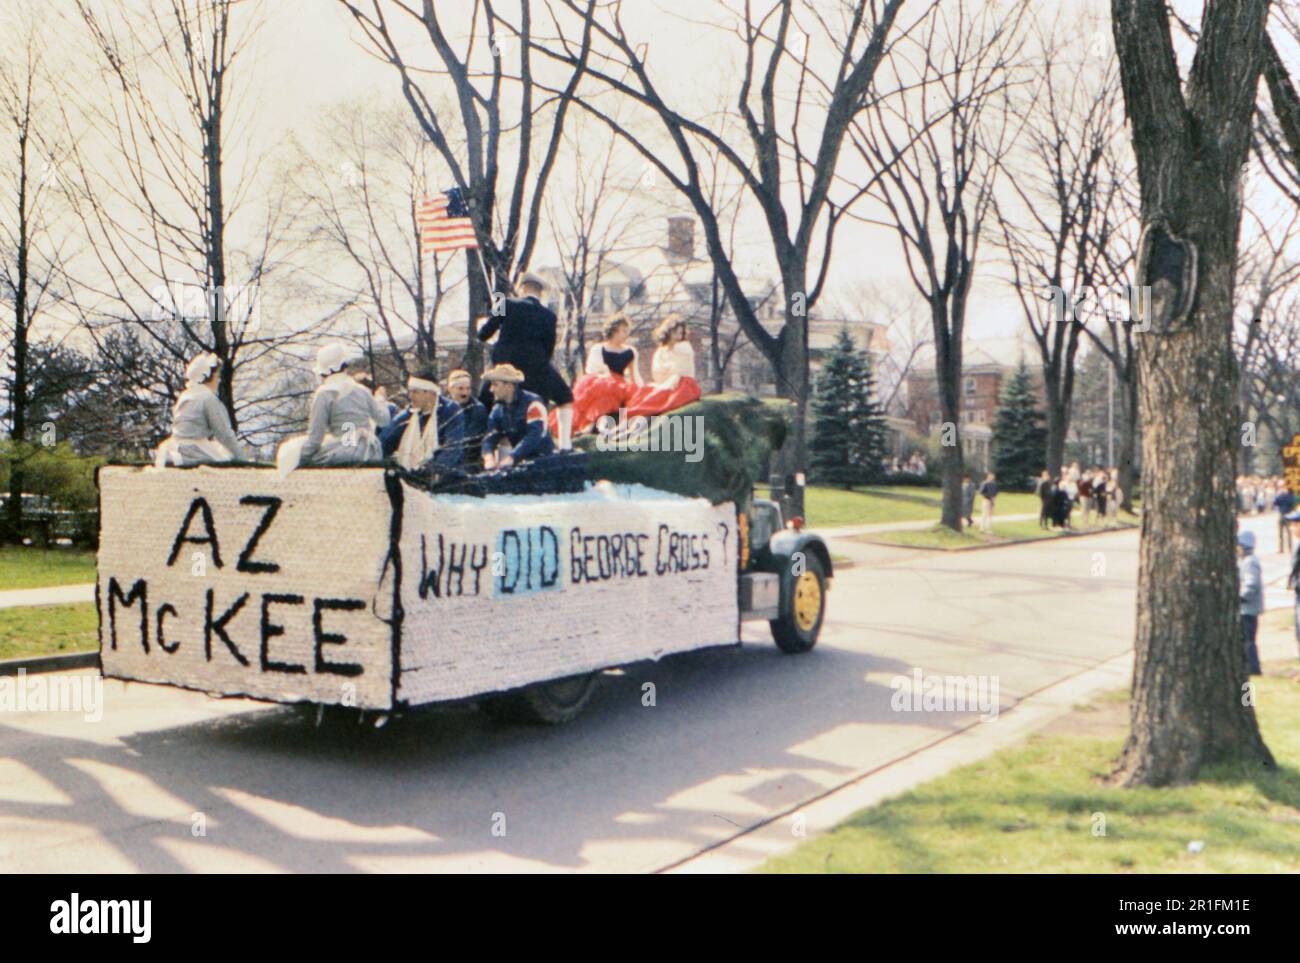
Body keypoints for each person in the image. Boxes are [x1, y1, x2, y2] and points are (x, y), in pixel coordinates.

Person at [476, 272, 575, 449]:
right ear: (540, 292)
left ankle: (480, 449)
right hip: (537, 369)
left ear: (523, 288)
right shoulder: (549, 315)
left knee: (482, 403)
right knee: (565, 397)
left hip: (506, 367)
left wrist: (487, 326)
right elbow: (548, 348)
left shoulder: (504, 302)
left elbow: (483, 334)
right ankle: (565, 445)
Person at [276, 344, 391, 474]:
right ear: (344, 365)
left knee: (292, 450)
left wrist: (296, 460)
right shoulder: (362, 390)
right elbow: (384, 420)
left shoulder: (324, 393)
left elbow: (314, 440)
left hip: (345, 450)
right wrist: (380, 399)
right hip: (370, 451)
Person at [156, 352, 248, 467]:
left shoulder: (186, 394)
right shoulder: (208, 398)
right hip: (193, 451)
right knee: (226, 461)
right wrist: (242, 458)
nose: (219, 381)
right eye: (218, 376)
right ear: (211, 377)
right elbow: (224, 433)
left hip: (174, 447)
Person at [562, 315, 646, 436]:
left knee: (623, 397)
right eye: (624, 331)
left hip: (620, 385)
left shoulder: (630, 351)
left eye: (627, 331)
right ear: (614, 330)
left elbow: (635, 374)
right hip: (602, 381)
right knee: (603, 397)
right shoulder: (599, 348)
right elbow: (594, 370)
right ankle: (590, 426)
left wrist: (641, 390)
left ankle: (615, 427)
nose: (626, 334)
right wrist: (607, 379)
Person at [378, 369, 466, 472]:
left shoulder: (450, 411)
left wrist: (428, 471)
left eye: (415, 392)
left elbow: (453, 450)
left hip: (447, 477)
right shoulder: (409, 413)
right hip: (413, 476)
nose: (410, 396)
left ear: (429, 393)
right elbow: (385, 440)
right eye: (410, 392)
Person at [480, 363, 554, 469]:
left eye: (495, 385)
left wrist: (512, 457)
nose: (491, 389)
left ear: (509, 386)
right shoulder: (497, 410)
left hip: (544, 462)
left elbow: (534, 435)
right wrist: (488, 458)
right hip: (521, 462)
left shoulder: (533, 404)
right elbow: (490, 437)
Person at [443, 369, 488, 470]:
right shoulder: (442, 407)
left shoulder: (478, 409)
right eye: (461, 389)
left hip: (469, 462)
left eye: (468, 389)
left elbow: (470, 442)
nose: (465, 393)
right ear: (450, 389)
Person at [1238, 530, 1263, 676]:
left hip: (1248, 609)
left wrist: (1241, 597)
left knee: (1248, 639)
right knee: (1246, 638)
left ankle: (1253, 667)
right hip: (1246, 608)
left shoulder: (1250, 562)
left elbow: (1251, 584)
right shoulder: (1244, 561)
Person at [1274, 484, 1296, 555]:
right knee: (1281, 533)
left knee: (1289, 533)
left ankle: (1289, 548)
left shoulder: (1290, 496)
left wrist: (1283, 495)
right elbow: (1276, 502)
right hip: (1282, 514)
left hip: (1287, 515)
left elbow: (1291, 503)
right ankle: (1281, 548)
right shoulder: (1284, 496)